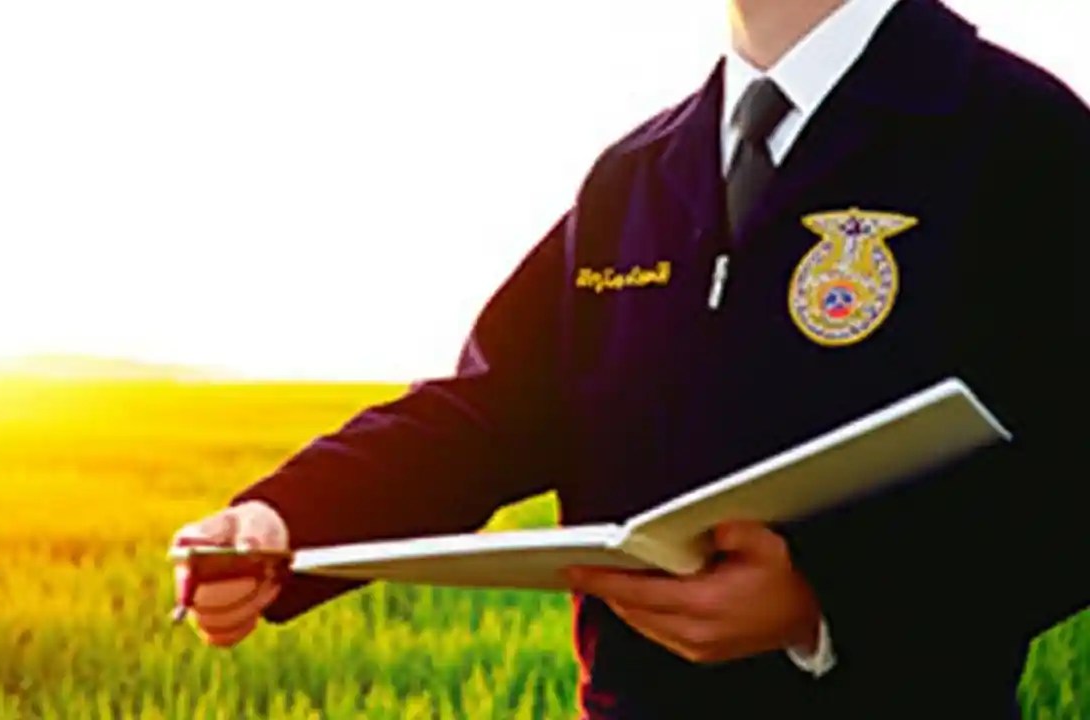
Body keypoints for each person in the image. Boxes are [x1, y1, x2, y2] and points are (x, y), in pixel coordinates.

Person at [171, 0, 1089, 716]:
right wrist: (287, 519)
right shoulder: (636, 172)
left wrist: (828, 604)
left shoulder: (1022, 137)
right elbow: (491, 409)